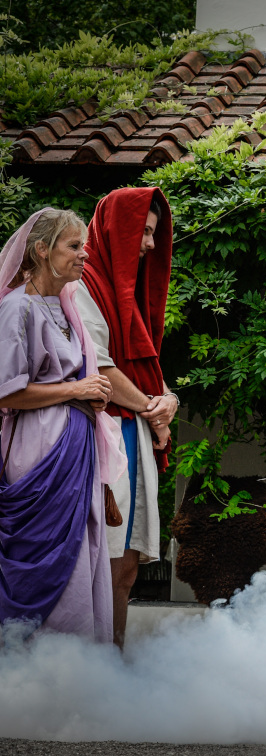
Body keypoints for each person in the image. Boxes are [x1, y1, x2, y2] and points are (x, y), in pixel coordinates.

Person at [0, 208, 125, 642]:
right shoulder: (16, 309)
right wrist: (76, 391)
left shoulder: (65, 307)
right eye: (74, 246)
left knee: (79, 560)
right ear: (41, 250)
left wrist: (90, 393)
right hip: (39, 452)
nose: (84, 255)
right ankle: (32, 680)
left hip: (77, 449)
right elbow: (7, 393)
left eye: (84, 246)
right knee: (44, 558)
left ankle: (75, 678)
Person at [74, 187, 177, 650]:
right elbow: (98, 368)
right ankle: (90, 668)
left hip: (131, 429)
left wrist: (165, 400)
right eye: (145, 232)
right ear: (121, 227)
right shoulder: (82, 285)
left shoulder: (125, 292)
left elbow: (143, 368)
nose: (151, 245)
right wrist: (152, 408)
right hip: (100, 434)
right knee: (99, 560)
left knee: (128, 563)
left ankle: (113, 662)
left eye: (155, 234)